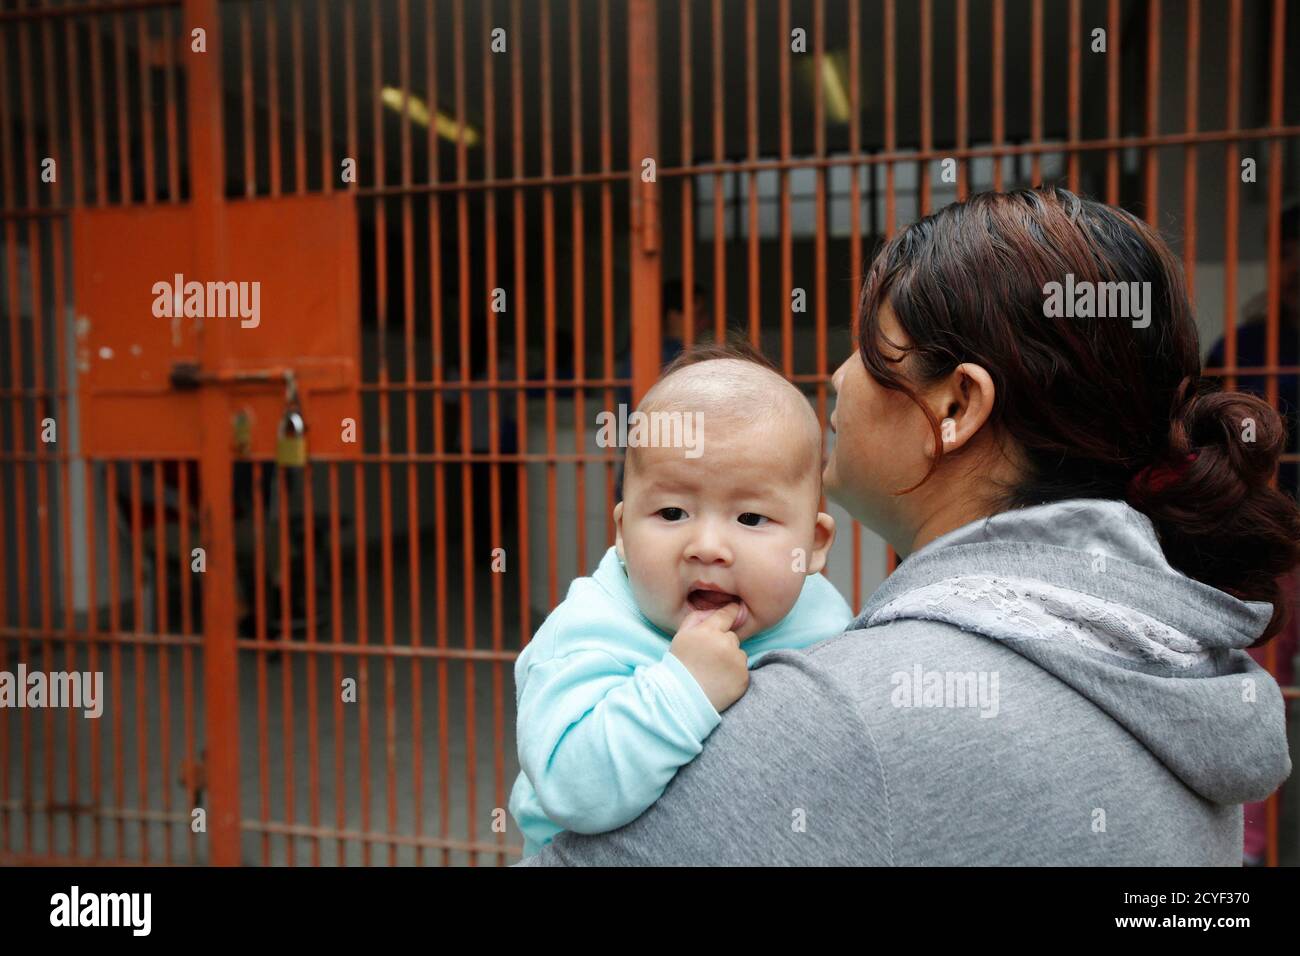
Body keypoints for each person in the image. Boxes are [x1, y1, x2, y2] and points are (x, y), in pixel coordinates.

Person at [518, 187, 1297, 866]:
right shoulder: (1176, 650)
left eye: (867, 349)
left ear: (956, 406)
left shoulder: (851, 718)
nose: (834, 377)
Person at [508, 344, 851, 857]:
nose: (708, 547)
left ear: (815, 545)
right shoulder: (590, 629)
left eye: (751, 519)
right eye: (672, 513)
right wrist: (682, 689)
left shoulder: (826, 618)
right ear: (622, 532)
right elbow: (568, 785)